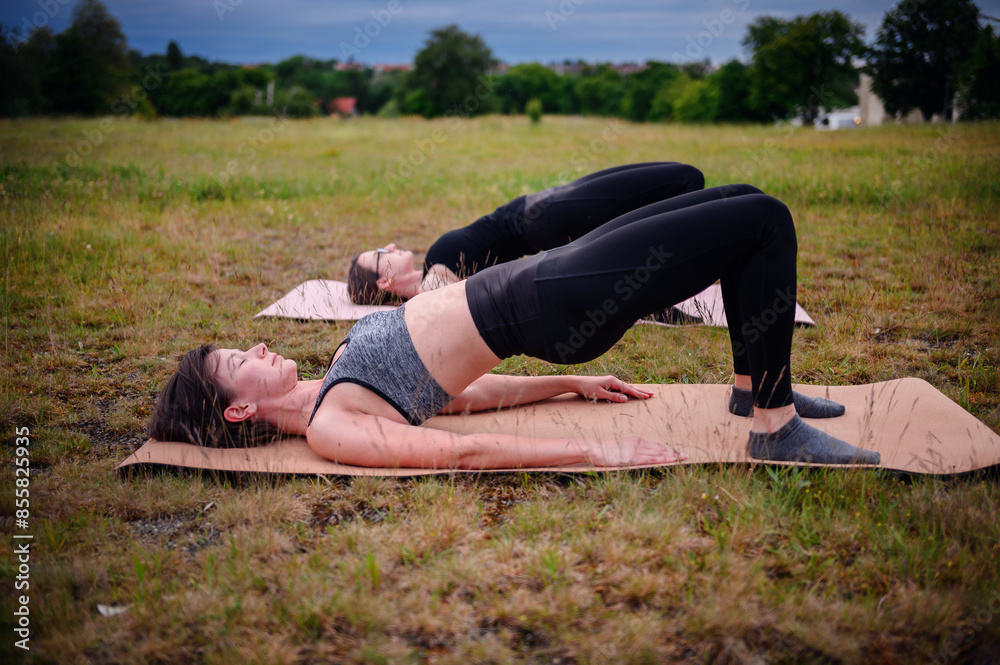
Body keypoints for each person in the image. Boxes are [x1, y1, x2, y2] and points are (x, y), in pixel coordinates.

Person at [148, 184, 881, 469]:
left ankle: (751, 388)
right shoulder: (332, 426)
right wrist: (598, 454)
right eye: (238, 358)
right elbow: (460, 452)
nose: (260, 344)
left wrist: (572, 382)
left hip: (544, 280)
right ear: (239, 405)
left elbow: (465, 395)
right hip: (547, 302)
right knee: (764, 221)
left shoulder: (338, 374)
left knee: (738, 198)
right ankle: (775, 425)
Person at [347, 162, 706, 305]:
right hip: (547, 216)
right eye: (381, 252)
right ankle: (683, 263)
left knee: (678, 184)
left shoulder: (436, 263)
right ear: (383, 282)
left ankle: (670, 271)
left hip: (546, 207)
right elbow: (434, 304)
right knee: (684, 180)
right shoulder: (437, 270)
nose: (390, 245)